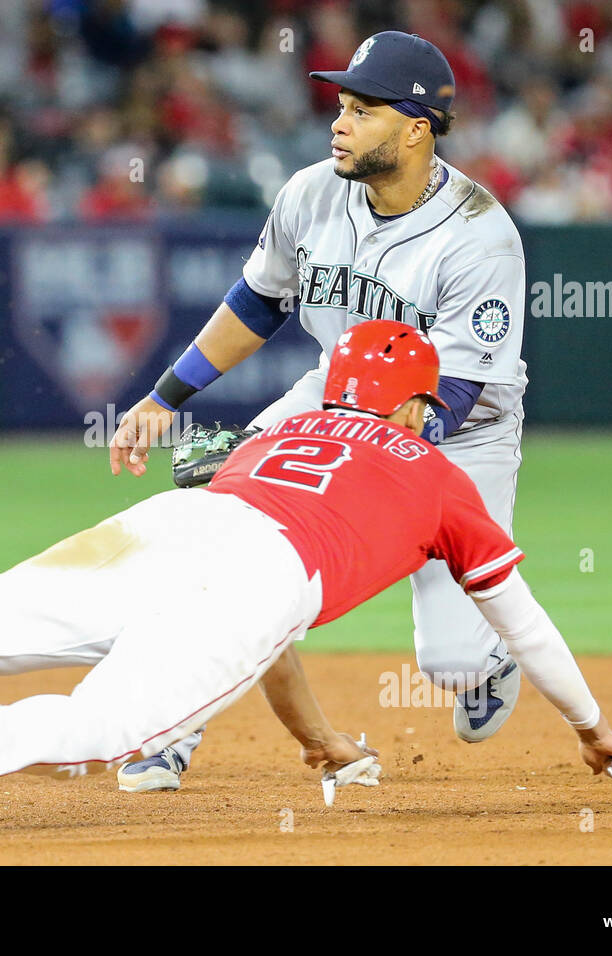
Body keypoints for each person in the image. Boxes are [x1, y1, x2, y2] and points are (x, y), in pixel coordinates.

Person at [0, 322, 612, 814]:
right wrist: (593, 728)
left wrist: (320, 741)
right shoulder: (438, 475)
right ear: (415, 407)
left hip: (183, 515)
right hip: (263, 573)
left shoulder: (283, 429)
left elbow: (267, 641)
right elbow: (523, 625)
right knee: (106, 726)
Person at [109, 30, 532, 793]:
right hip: (332, 393)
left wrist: (355, 459)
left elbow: (455, 393)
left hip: (462, 432)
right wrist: (164, 396)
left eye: (362, 110)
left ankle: (487, 664)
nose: (338, 123)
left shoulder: (480, 236)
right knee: (223, 531)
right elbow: (259, 301)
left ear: (416, 129)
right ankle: (167, 728)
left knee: (451, 661)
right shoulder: (311, 192)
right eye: (340, 106)